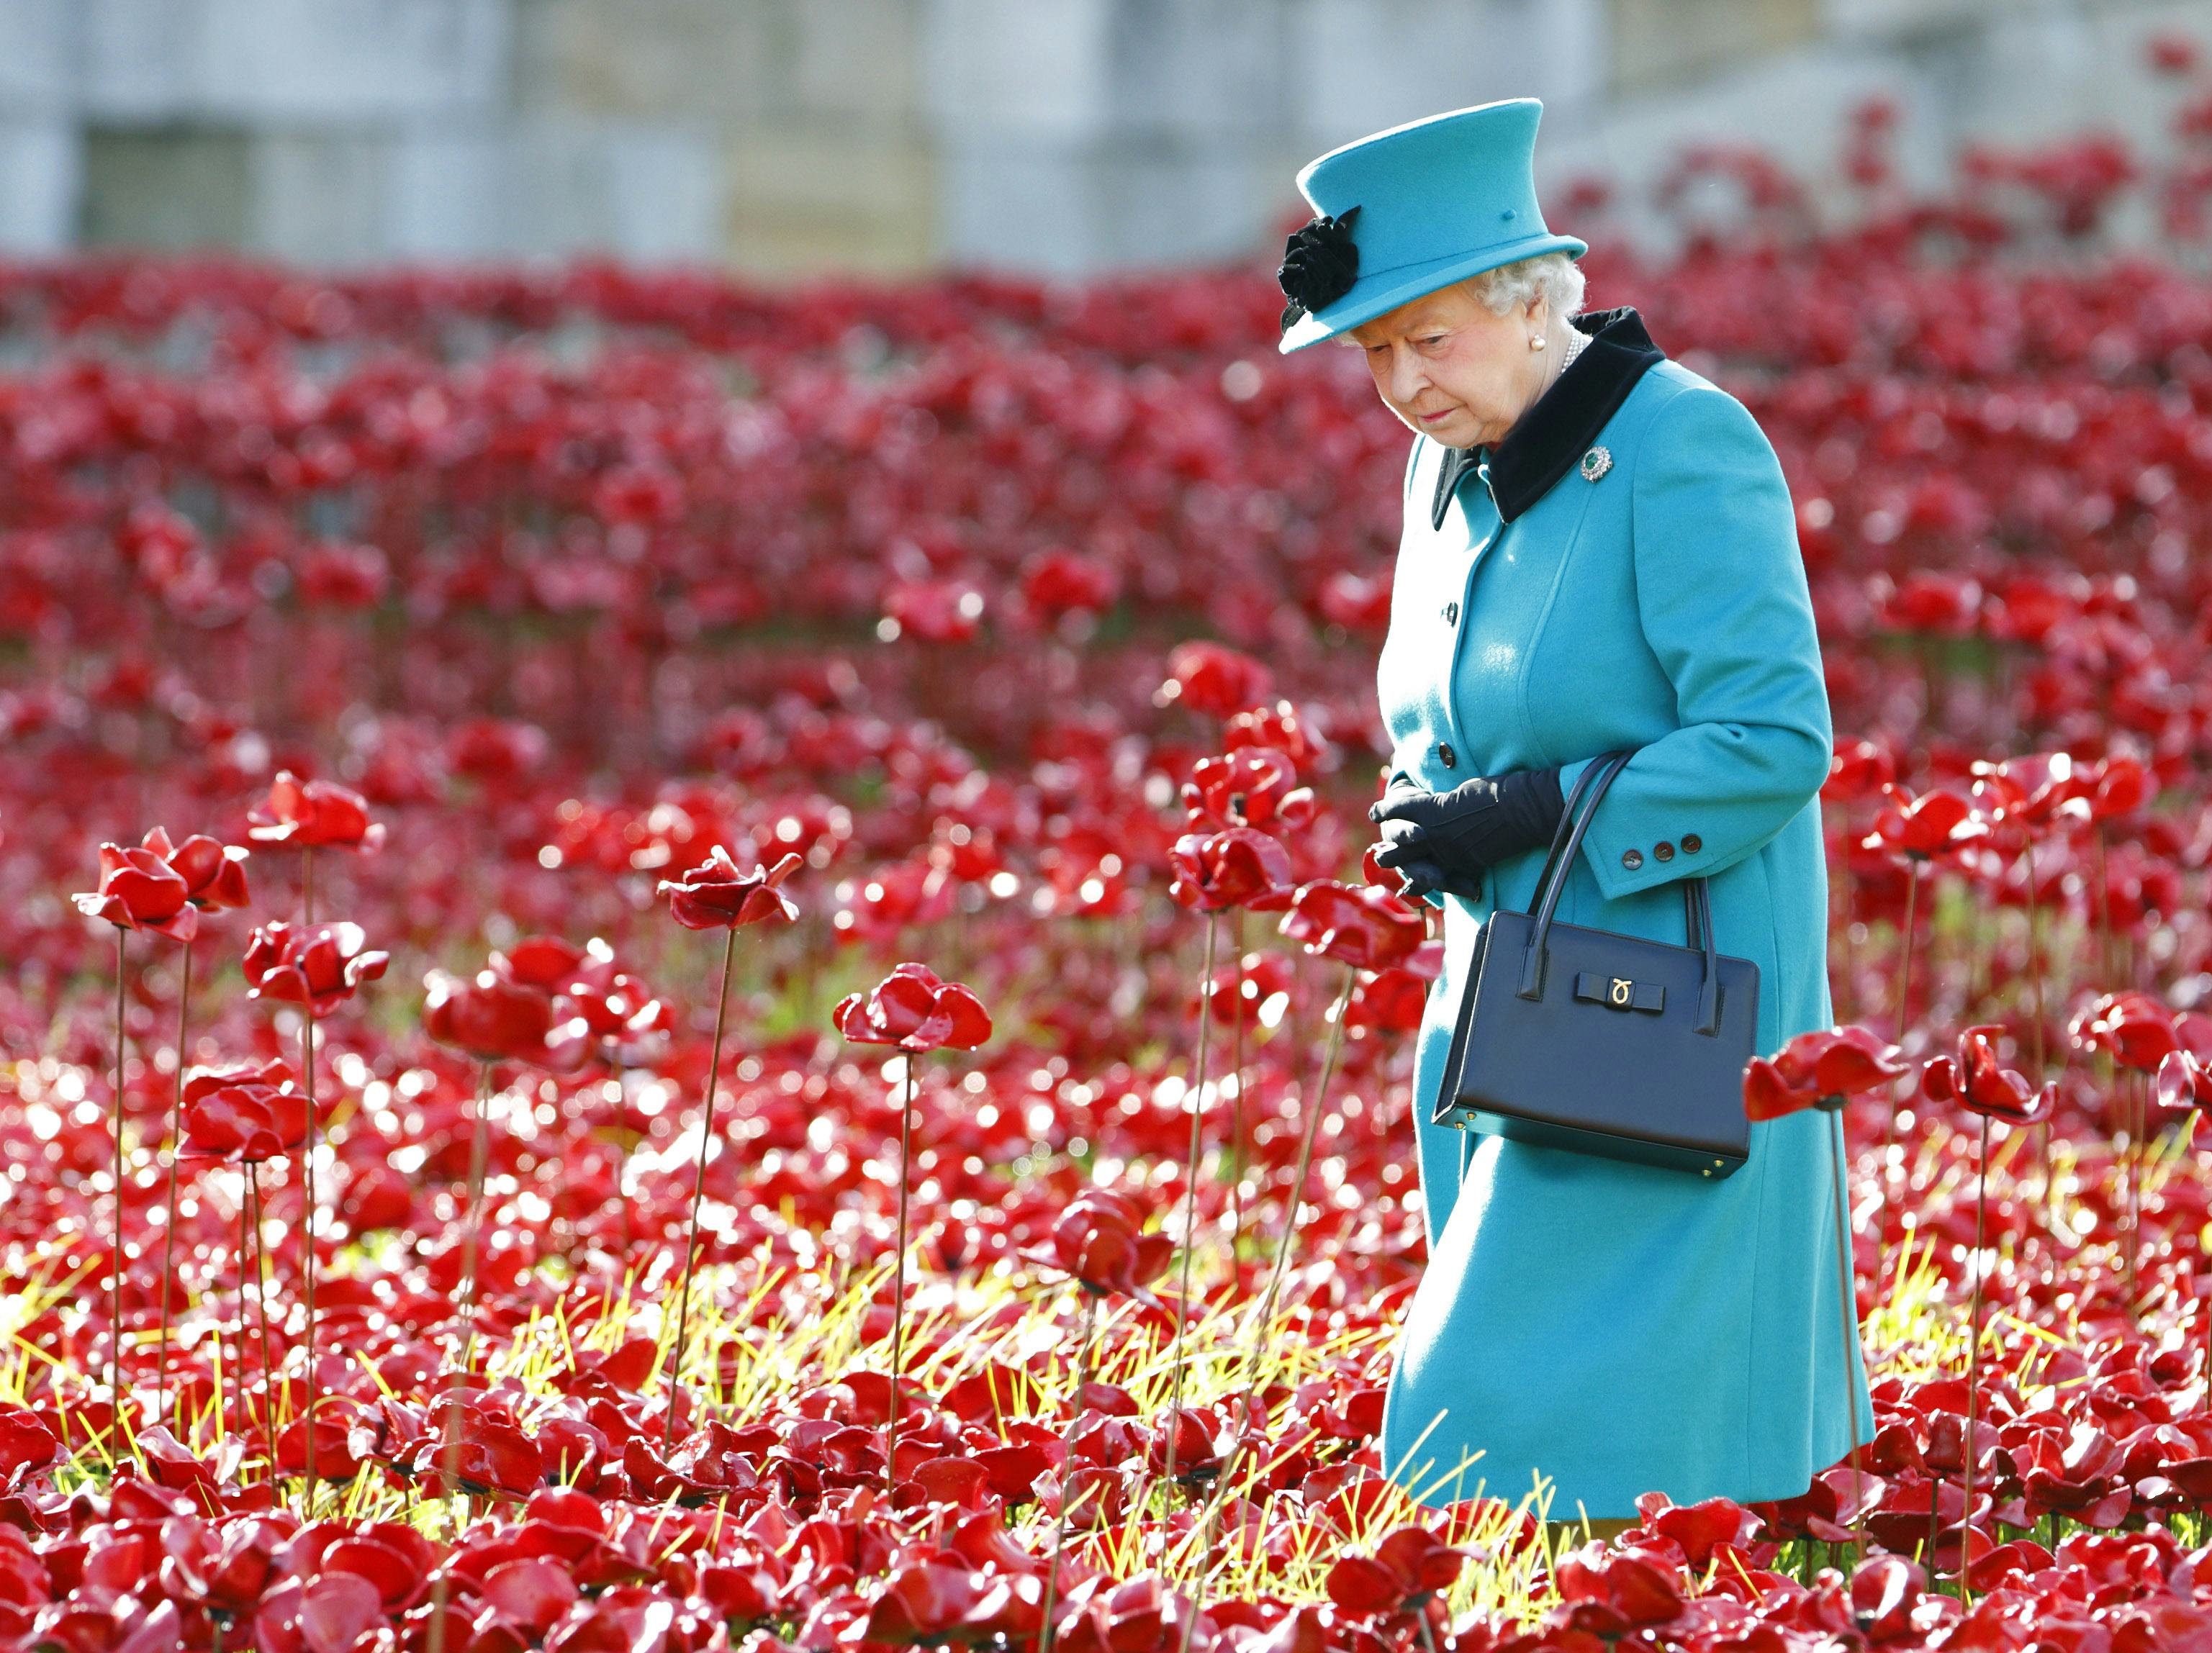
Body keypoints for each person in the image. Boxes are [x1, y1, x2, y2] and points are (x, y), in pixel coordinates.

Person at [1274, 99, 1877, 1552]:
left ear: (1533, 303)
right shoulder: (1451, 464)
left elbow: (1774, 740)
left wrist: (1543, 809)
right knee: (1550, 1406)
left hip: (1662, 996)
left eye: (1431, 338)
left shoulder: (1684, 445)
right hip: (1506, 991)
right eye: (1373, 353)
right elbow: (1452, 699)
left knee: (1497, 1401)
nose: (1402, 382)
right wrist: (1424, 808)